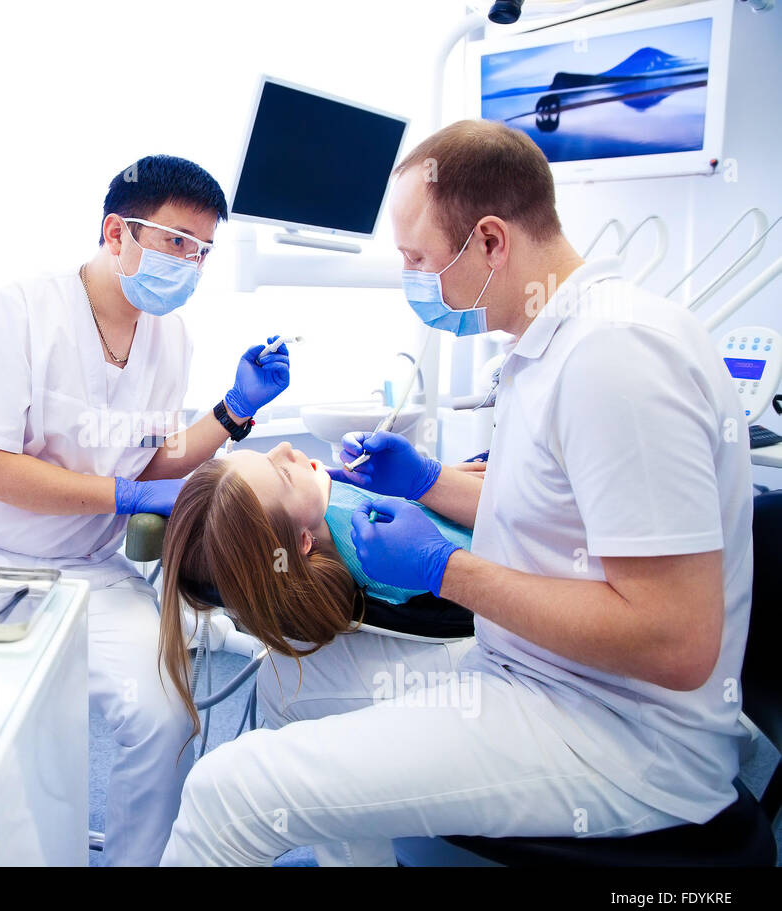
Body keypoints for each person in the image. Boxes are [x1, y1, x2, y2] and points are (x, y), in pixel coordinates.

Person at [160, 120, 754, 867]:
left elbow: (675, 642)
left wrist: (446, 570)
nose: (410, 278)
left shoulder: (616, 360)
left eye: (417, 259)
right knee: (290, 682)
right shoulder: (546, 348)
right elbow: (563, 523)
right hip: (532, 670)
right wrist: (428, 481)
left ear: (492, 243)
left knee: (228, 793)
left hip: (620, 735)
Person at [0, 155, 291, 866]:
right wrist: (123, 495)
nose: (192, 263)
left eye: (203, 251)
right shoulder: (22, 310)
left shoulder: (169, 338)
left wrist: (233, 412)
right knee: (0, 744)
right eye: (178, 241)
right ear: (118, 231)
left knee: (167, 713)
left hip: (89, 569)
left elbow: (148, 463)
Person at [158, 442, 475, 741]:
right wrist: (439, 485)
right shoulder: (381, 557)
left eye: (265, 453)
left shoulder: (324, 508)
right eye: (282, 474)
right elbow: (494, 547)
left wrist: (440, 480)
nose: (283, 448)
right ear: (302, 542)